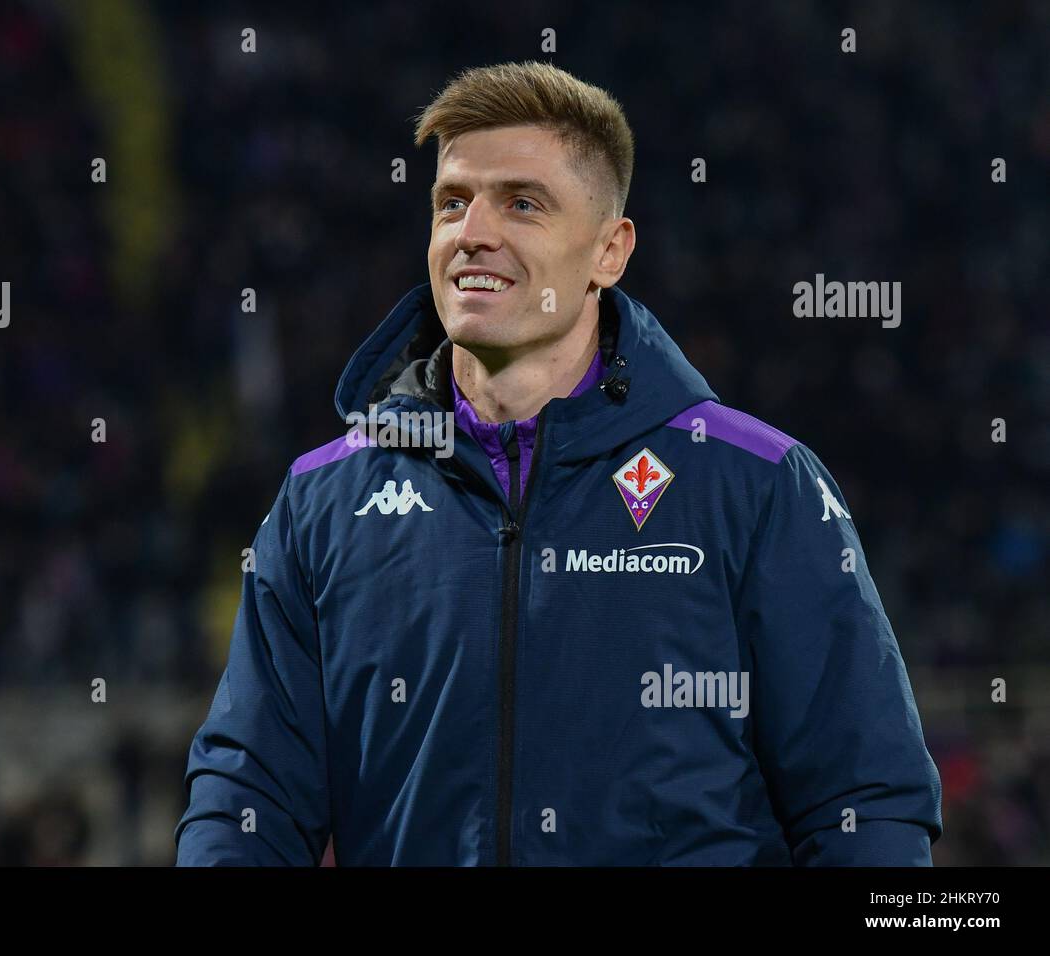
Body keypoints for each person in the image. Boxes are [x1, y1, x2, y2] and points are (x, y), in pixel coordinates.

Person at [174, 60, 942, 865]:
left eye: (523, 203)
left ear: (610, 251)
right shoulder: (322, 501)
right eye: (451, 202)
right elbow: (248, 796)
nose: (473, 231)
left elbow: (864, 805)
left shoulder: (755, 484)